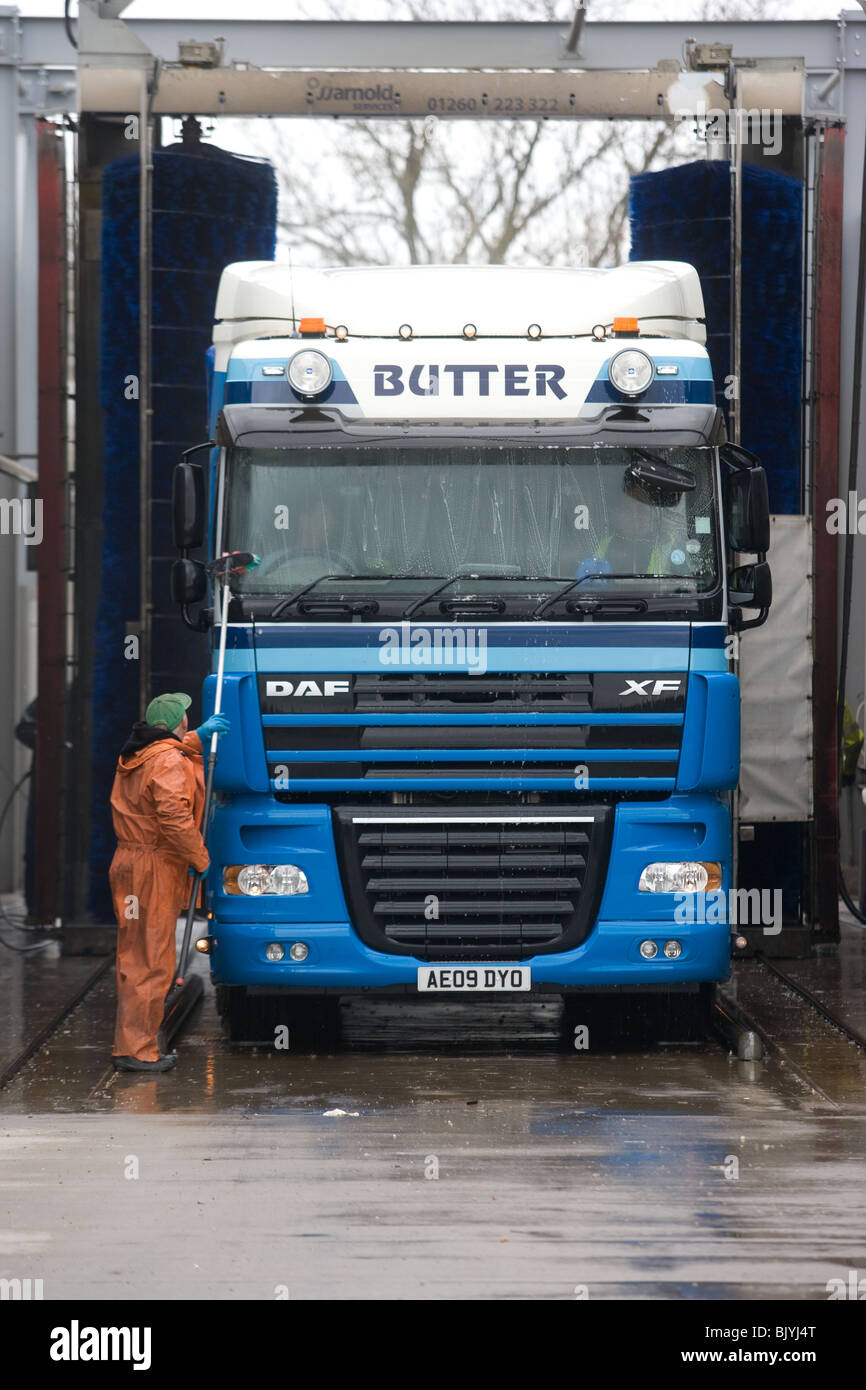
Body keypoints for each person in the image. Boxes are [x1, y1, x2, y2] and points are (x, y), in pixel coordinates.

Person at [109, 692, 229, 1073]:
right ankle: (137, 1050)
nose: (189, 725)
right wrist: (199, 857)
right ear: (178, 722)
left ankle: (132, 1043)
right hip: (152, 868)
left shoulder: (138, 755)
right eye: (188, 721)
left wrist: (196, 739)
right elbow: (174, 815)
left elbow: (166, 754)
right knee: (151, 960)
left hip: (129, 864)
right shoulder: (168, 761)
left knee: (134, 954)